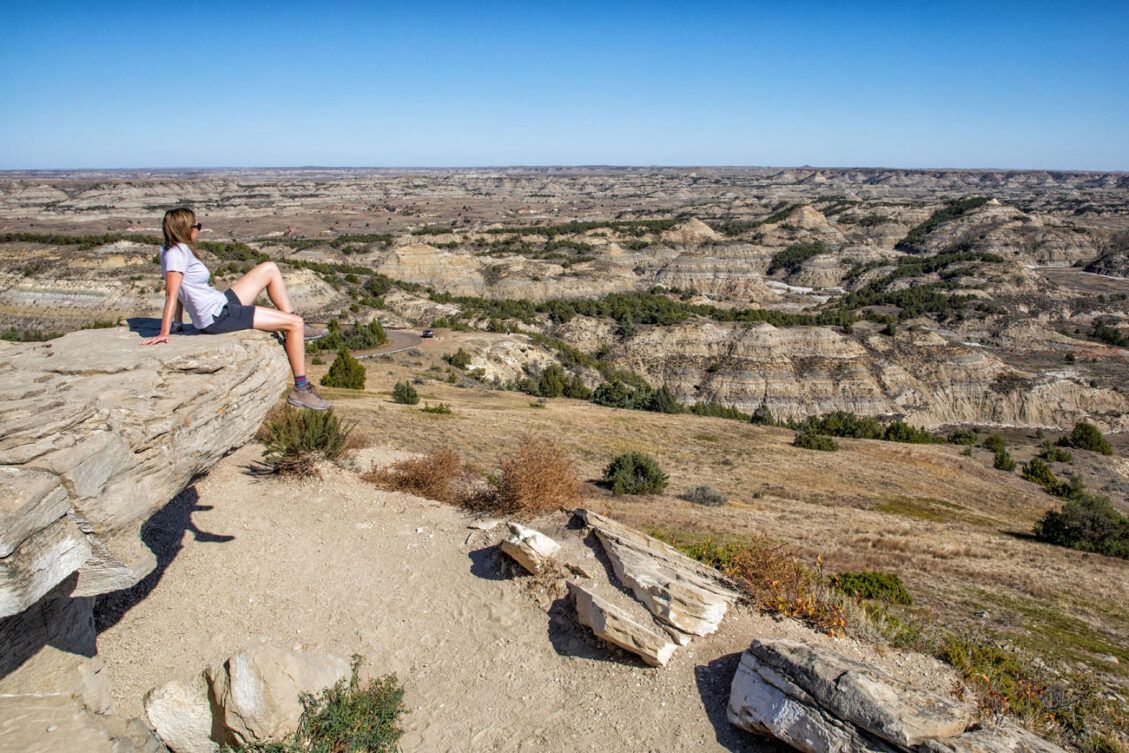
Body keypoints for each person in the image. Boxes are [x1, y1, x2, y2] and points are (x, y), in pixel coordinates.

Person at [142, 207, 332, 411]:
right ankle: (301, 388)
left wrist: (178, 324)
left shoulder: (169, 250)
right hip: (219, 317)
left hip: (220, 304)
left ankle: (297, 328)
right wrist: (165, 332)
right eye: (197, 226)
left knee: (269, 268)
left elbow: (181, 291)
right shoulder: (177, 254)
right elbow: (172, 293)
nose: (199, 230)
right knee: (295, 324)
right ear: (186, 229)